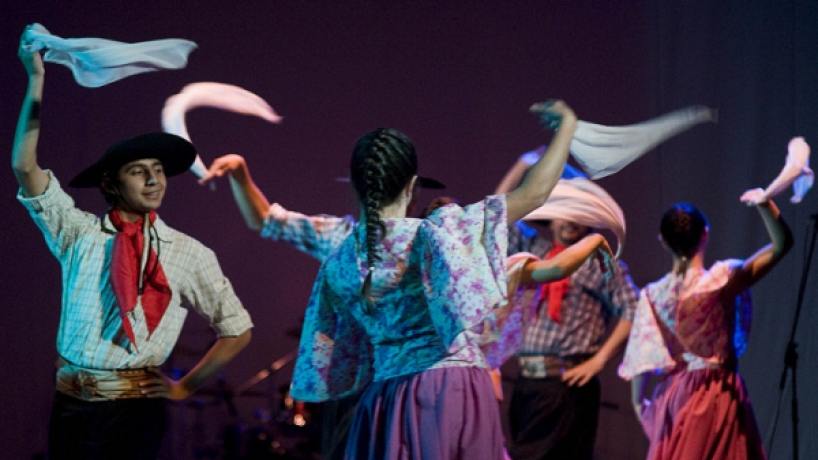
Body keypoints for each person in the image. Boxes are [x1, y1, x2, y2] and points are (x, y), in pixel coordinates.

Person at [201, 101, 600, 459]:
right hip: (452, 389)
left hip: (387, 398)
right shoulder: (439, 233)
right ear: (412, 186)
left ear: (356, 186)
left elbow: (268, 221)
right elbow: (533, 195)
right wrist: (566, 126)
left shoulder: (342, 249)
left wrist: (241, 175)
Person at [12, 42, 253, 460]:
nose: (153, 180)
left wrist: (184, 387)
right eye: (139, 171)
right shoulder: (81, 234)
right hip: (72, 406)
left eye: (159, 171)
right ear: (111, 183)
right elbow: (24, 167)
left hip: (135, 411)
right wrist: (36, 79)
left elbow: (237, 329)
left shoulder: (188, 253)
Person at [619, 200, 792, 460]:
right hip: (714, 393)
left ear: (663, 241)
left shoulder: (654, 295)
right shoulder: (722, 280)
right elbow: (782, 245)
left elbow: (640, 363)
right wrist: (765, 204)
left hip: (674, 396)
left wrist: (640, 405)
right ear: (705, 233)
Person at [495, 149, 639, 460]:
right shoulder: (535, 249)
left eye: (580, 214)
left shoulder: (598, 260)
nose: (572, 220)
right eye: (567, 211)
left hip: (567, 385)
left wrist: (599, 361)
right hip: (526, 384)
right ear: (553, 214)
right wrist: (523, 163)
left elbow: (632, 308)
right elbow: (497, 215)